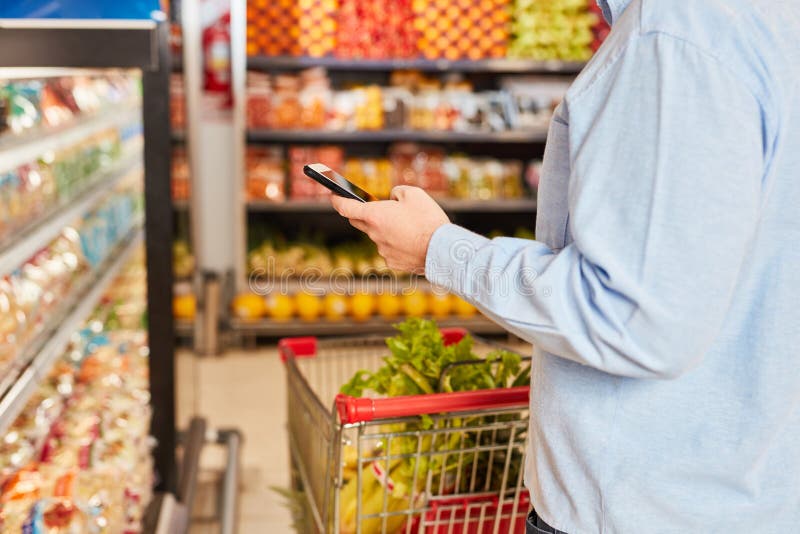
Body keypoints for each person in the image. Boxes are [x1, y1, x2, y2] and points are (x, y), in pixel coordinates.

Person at [331, 0, 800, 531]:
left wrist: (437, 249)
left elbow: (634, 316)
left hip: (643, 502)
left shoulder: (672, 33)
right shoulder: (770, 17)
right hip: (746, 488)